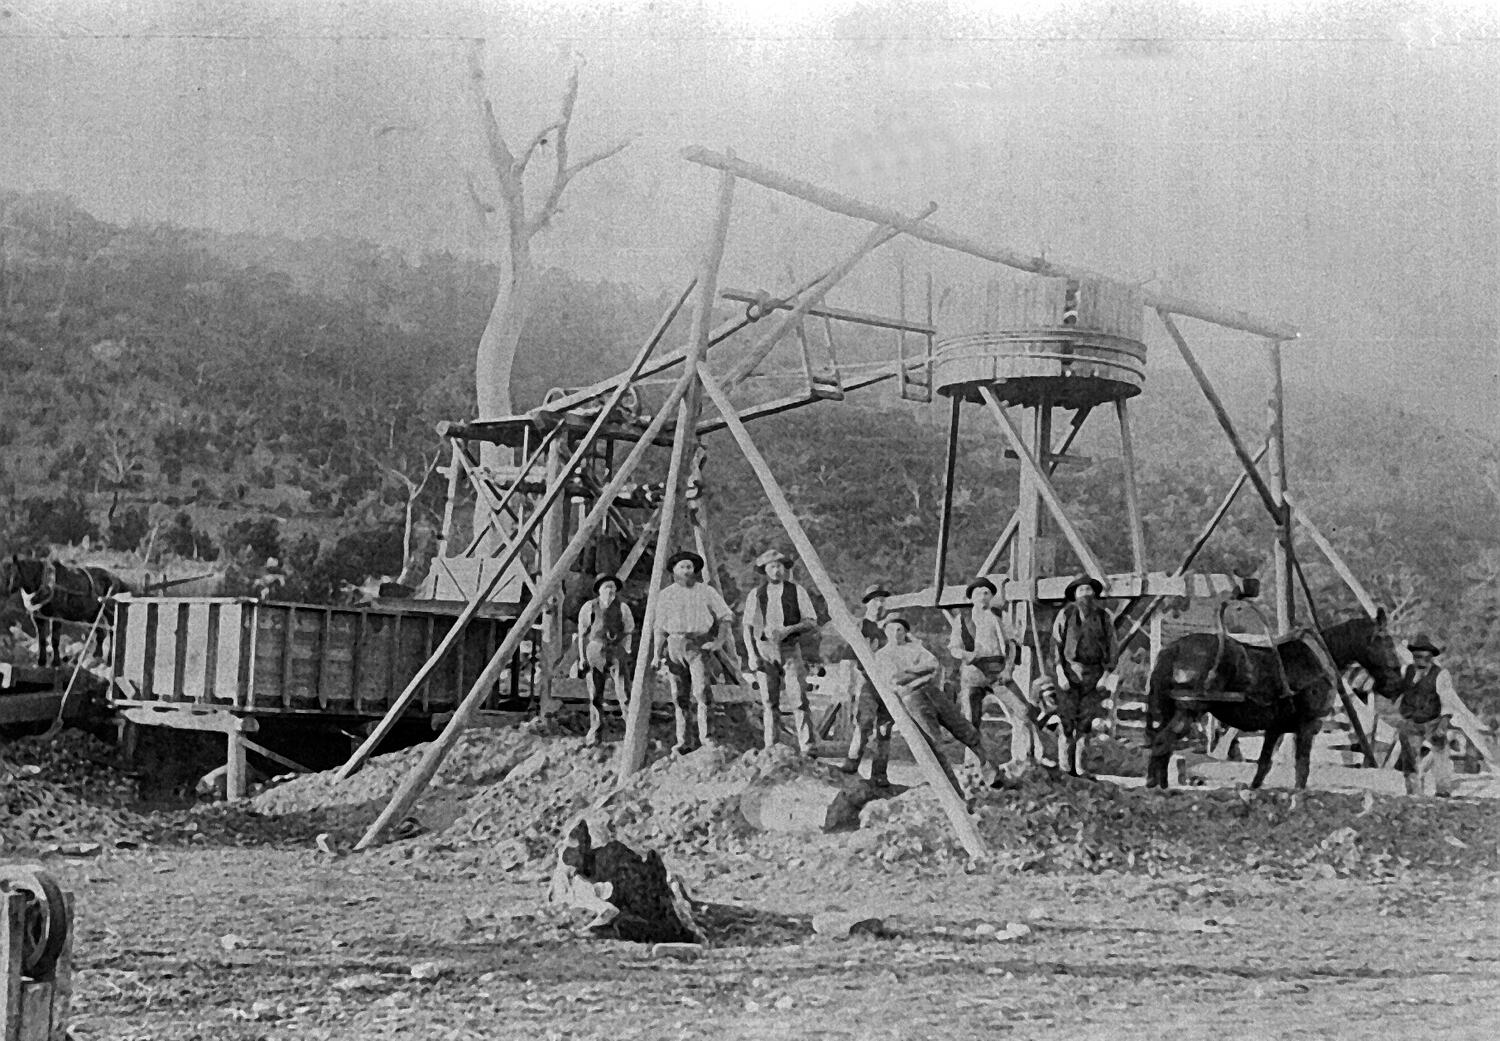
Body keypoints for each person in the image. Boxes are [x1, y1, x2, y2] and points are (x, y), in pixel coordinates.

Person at [870, 612, 1001, 793]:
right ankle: (955, 792)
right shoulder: (882, 655)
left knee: (965, 729)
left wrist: (911, 672)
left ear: (905, 631)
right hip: (913, 698)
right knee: (935, 746)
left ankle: (989, 769)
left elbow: (933, 664)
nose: (895, 633)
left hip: (933, 692)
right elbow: (896, 679)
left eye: (899, 629)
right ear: (885, 631)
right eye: (891, 629)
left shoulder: (915, 648)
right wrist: (919, 671)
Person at [947, 577, 1044, 776]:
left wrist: (1008, 668)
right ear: (971, 597)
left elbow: (1012, 645)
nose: (982, 597)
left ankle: (1026, 757)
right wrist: (968, 655)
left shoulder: (999, 616)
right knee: (971, 720)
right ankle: (973, 764)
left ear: (991, 597)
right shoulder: (963, 619)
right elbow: (954, 648)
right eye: (978, 593)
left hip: (997, 671)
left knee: (1023, 710)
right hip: (973, 672)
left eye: (986, 593)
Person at [650, 550, 734, 754]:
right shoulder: (666, 594)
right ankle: (683, 740)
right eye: (682, 567)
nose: (687, 571)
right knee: (679, 696)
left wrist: (718, 642)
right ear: (674, 571)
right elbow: (659, 628)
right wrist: (656, 655)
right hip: (675, 645)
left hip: (698, 644)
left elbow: (725, 616)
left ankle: (707, 737)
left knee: (702, 692)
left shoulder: (705, 591)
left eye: (690, 567)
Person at [742, 549, 821, 753]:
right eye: (772, 567)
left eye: (780, 566)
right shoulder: (756, 594)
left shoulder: (797, 591)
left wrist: (789, 629)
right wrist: (751, 654)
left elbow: (811, 622)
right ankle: (771, 745)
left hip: (789, 649)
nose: (776, 571)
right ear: (765, 570)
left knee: (798, 697)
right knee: (769, 700)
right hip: (764, 648)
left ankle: (807, 746)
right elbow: (747, 627)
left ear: (785, 569)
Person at [1049, 575, 1118, 777]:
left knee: (1086, 723)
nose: (1085, 594)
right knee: (1066, 721)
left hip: (1094, 675)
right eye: (1081, 591)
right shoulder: (1065, 614)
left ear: (1094, 594)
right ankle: (1064, 768)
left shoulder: (1104, 617)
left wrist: (1106, 675)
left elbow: (1113, 647)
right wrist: (1060, 672)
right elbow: (1056, 645)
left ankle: (1081, 768)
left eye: (1089, 590)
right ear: (1075, 595)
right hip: (1069, 672)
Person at [1391, 633, 1457, 797]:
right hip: (1411, 720)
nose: (1421, 661)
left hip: (1432, 720)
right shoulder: (1406, 671)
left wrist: (1444, 722)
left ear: (1431, 658)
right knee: (1410, 758)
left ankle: (1443, 790)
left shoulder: (1441, 675)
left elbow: (1447, 701)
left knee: (1440, 753)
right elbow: (1398, 692)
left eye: (1425, 658)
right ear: (1413, 656)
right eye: (1417, 657)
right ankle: (1413, 792)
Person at [841, 582, 893, 785]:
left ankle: (880, 773)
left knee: (885, 729)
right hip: (868, 682)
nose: (879, 604)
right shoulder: (862, 627)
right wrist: (848, 687)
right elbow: (848, 659)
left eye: (882, 600)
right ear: (868, 604)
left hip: (889, 685)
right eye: (875, 600)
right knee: (864, 723)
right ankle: (852, 762)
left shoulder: (892, 628)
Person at [575, 574, 635, 746]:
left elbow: (629, 630)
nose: (609, 590)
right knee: (595, 694)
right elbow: (582, 633)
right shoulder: (590, 607)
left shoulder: (623, 607)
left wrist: (626, 649)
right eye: (606, 587)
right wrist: (581, 658)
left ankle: (630, 732)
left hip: (616, 650)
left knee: (624, 692)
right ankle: (595, 732)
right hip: (595, 650)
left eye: (612, 587)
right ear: (599, 589)